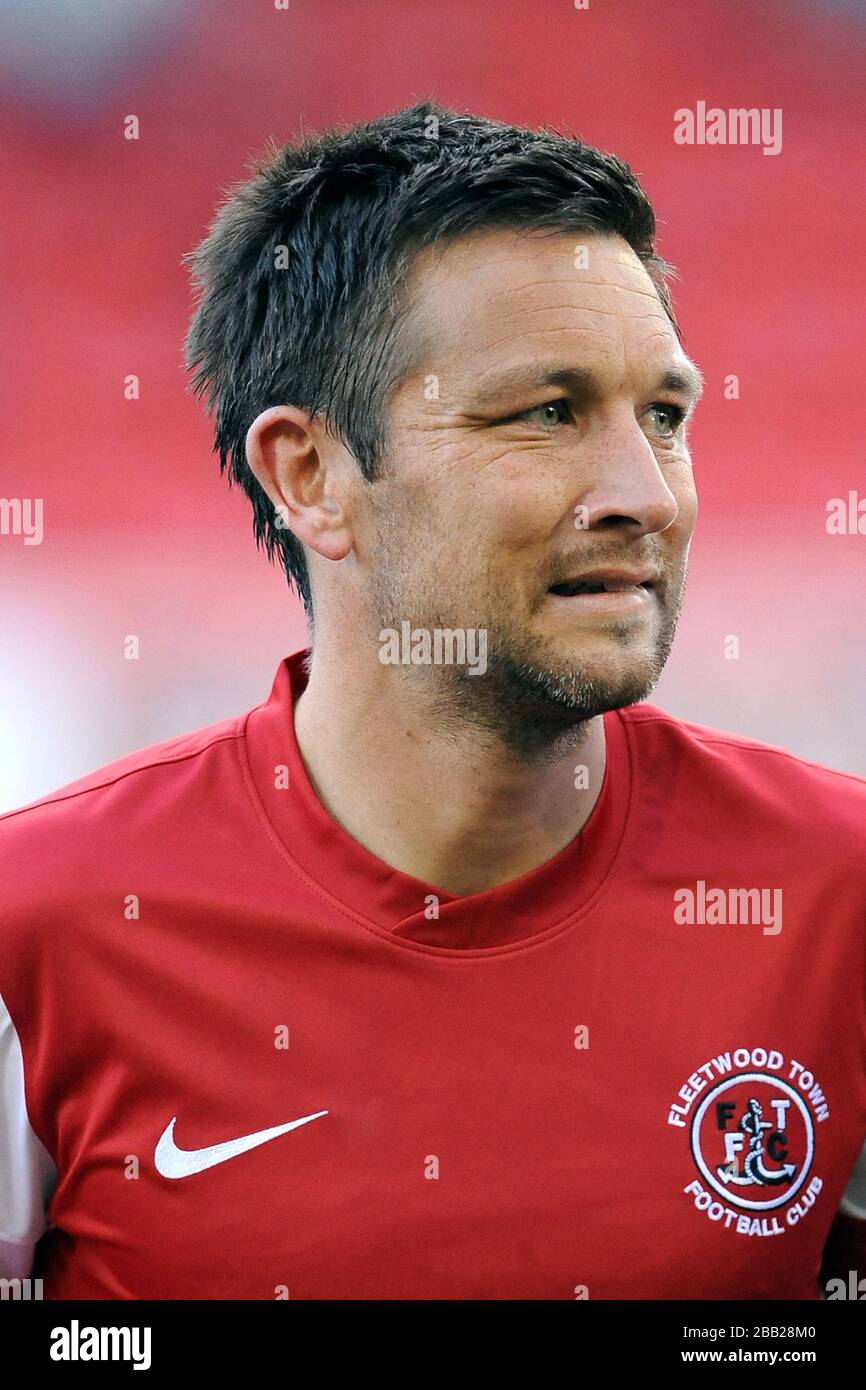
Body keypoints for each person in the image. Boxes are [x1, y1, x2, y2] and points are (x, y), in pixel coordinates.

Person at [1, 101, 864, 1300]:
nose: (643, 495)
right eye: (545, 412)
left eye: (662, 417)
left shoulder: (834, 896)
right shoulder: (39, 929)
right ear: (310, 476)